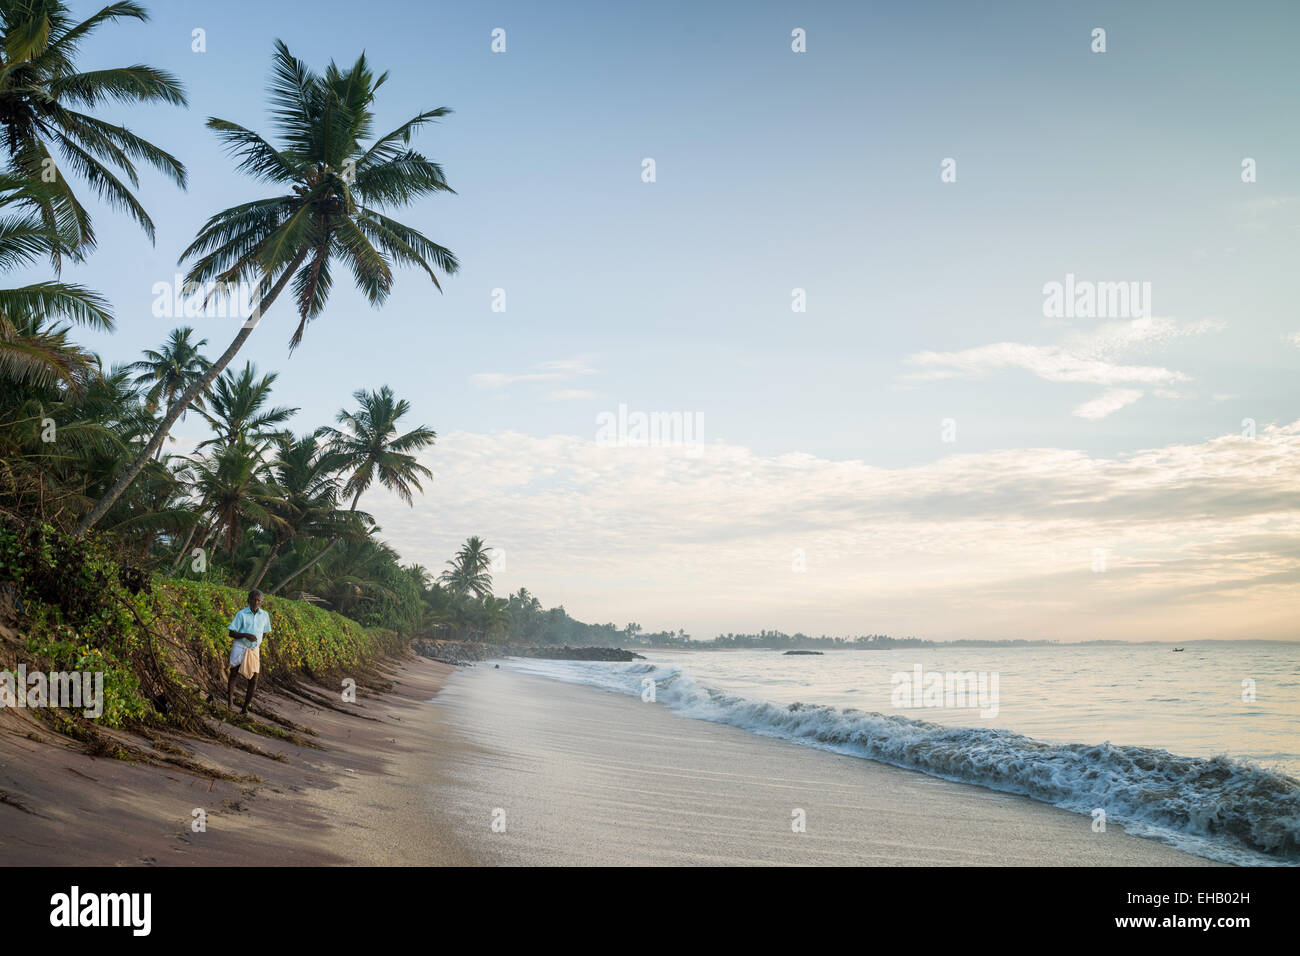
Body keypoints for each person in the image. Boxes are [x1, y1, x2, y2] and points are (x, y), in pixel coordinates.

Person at [227, 589, 272, 715]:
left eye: (259, 600)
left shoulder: (265, 615)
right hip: (240, 646)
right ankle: (230, 703)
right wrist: (246, 635)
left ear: (261, 602)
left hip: (254, 650)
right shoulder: (241, 614)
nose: (256, 602)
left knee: (254, 678)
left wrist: (257, 643)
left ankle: (244, 708)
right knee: (234, 673)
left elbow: (265, 632)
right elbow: (231, 633)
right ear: (249, 600)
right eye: (254, 599)